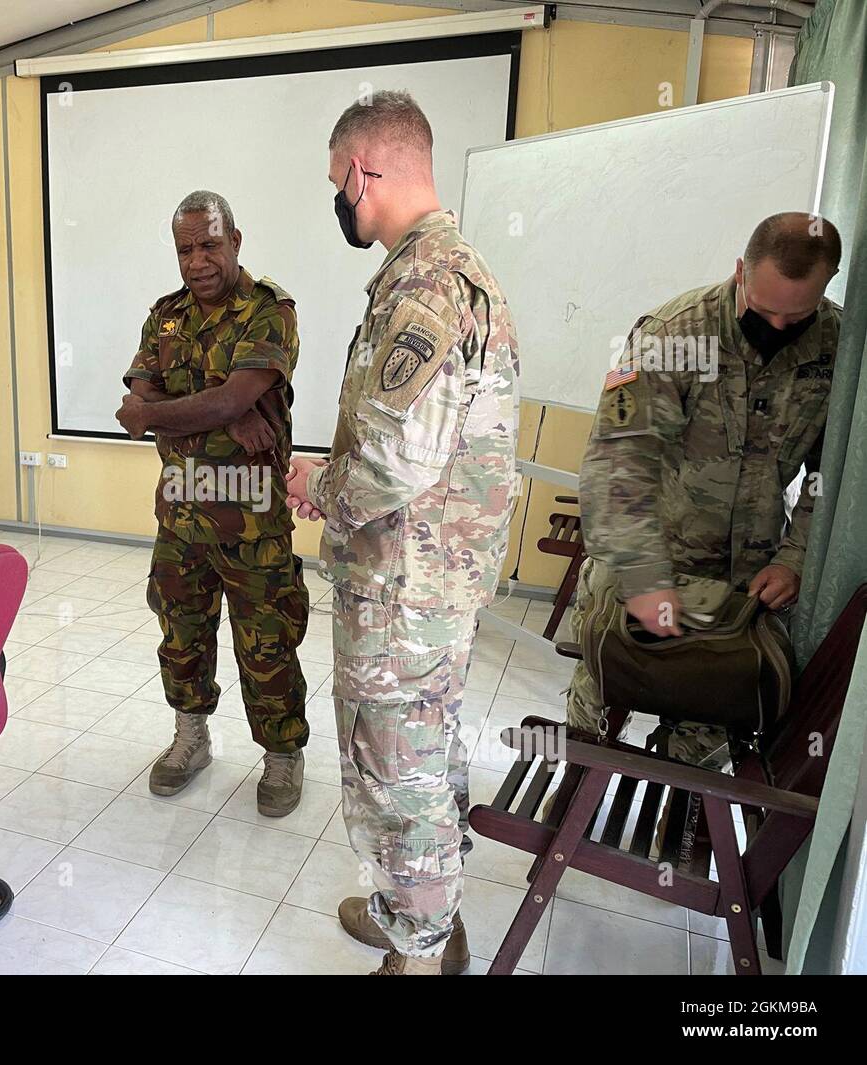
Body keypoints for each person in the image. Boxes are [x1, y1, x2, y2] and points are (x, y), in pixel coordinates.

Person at [287, 91, 520, 975]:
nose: (339, 202)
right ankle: (418, 910)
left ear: (358, 174)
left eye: (334, 185)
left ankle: (419, 951)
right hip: (429, 578)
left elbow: (393, 461)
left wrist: (321, 486)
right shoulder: (455, 272)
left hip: (403, 583)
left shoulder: (424, 287)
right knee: (426, 744)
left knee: (397, 764)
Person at [565, 212, 842, 767]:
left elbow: (829, 476)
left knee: (704, 729)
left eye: (797, 317)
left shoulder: (839, 347)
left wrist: (794, 559)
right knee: (599, 707)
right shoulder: (671, 336)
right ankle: (570, 801)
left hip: (744, 577)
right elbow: (617, 462)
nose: (778, 329)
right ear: (740, 271)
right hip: (645, 565)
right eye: (764, 312)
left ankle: (680, 833)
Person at [115, 190, 311, 817]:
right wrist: (219, 412)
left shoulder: (268, 312)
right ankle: (191, 739)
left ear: (236, 241)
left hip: (252, 516)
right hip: (181, 512)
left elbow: (212, 402)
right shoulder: (164, 316)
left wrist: (195, 410)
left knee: (267, 643)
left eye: (209, 244)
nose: (197, 260)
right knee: (181, 635)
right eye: (184, 249)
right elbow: (132, 411)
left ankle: (282, 756)